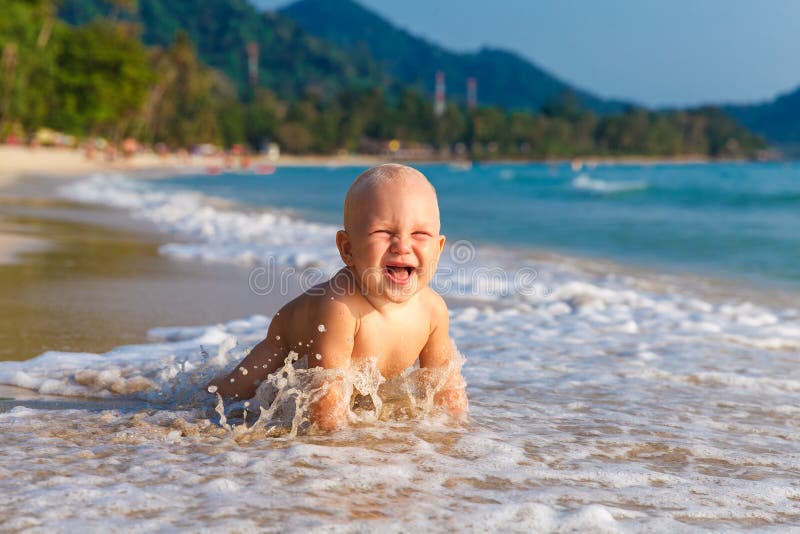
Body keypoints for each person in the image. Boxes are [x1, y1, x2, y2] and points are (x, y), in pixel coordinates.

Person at [206, 164, 468, 430]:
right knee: (228, 398)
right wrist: (340, 457)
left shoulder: (433, 311)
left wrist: (455, 437)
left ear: (438, 248)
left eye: (419, 234)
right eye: (383, 232)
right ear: (347, 248)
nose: (402, 245)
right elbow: (324, 405)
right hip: (282, 346)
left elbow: (445, 388)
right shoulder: (341, 307)